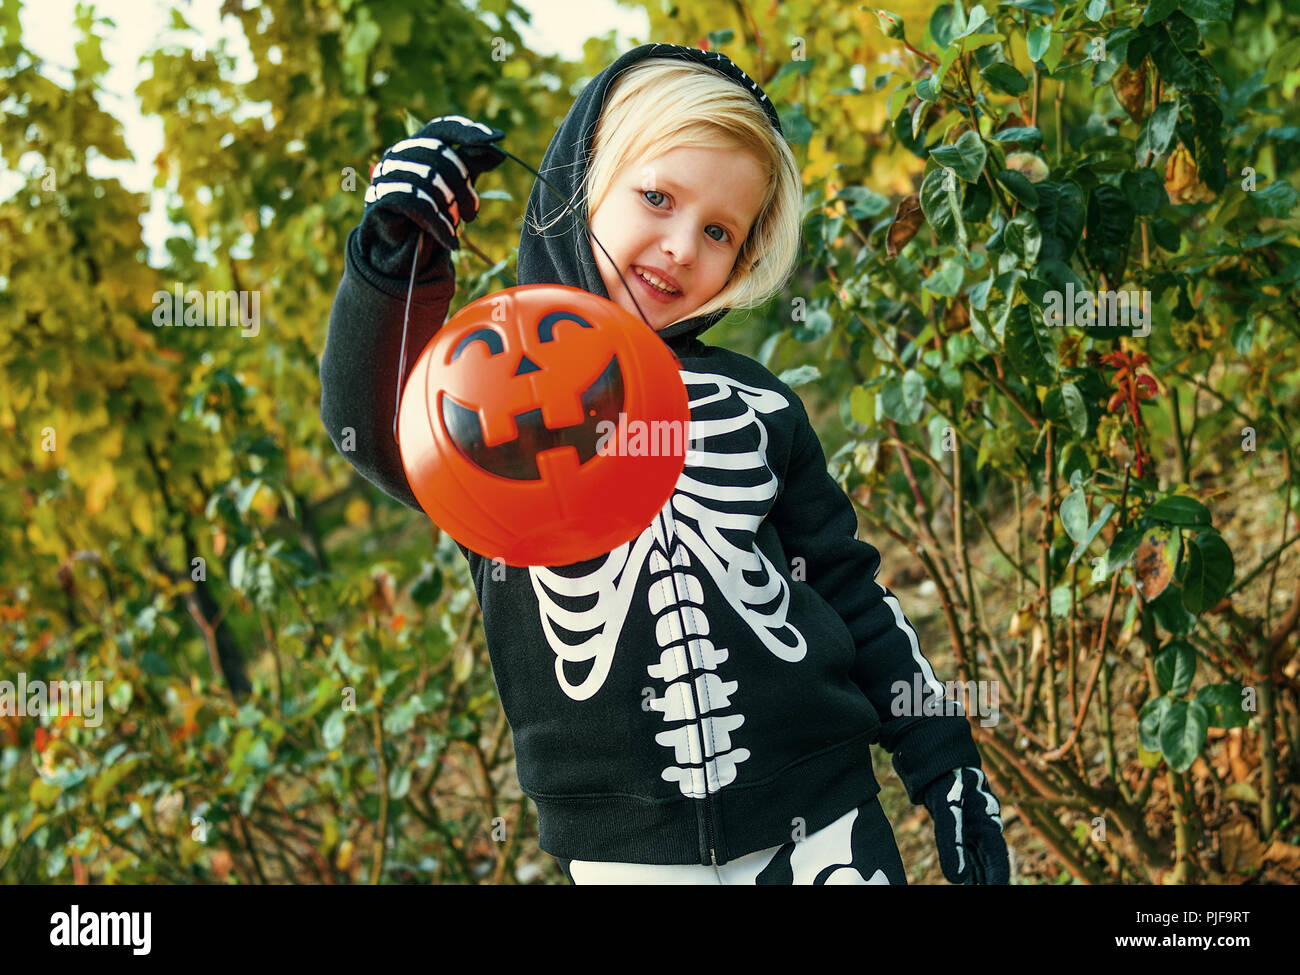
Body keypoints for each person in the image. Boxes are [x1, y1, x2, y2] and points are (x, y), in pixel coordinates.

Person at [319, 42, 1009, 885]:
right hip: (623, 852)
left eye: (719, 230)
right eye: (657, 197)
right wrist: (400, 250)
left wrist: (946, 762)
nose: (682, 245)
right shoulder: (496, 406)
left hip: (826, 817)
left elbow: (847, 590)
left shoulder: (757, 405)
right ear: (582, 186)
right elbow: (371, 422)